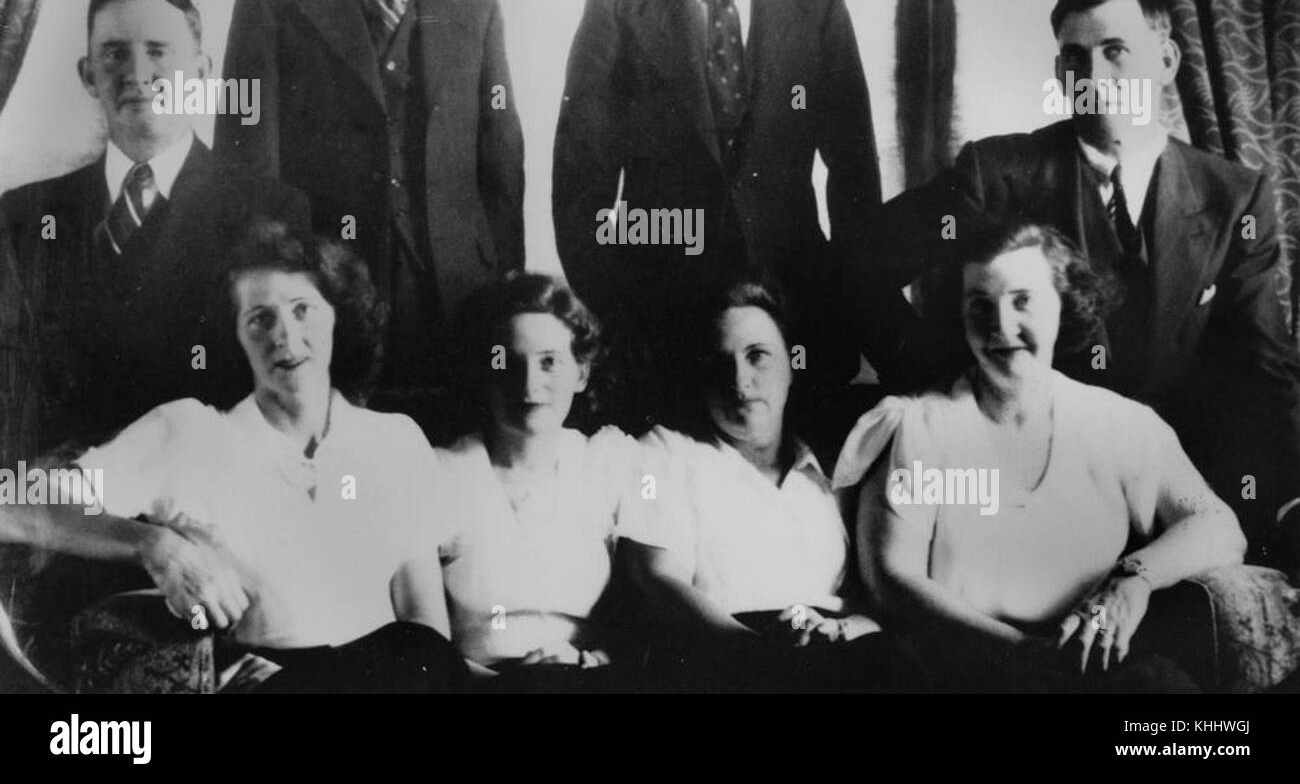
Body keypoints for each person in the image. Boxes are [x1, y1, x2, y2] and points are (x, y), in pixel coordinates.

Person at [858, 0, 1300, 571]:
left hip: (1178, 489)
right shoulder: (1000, 175)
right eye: (1074, 57)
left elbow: (1263, 368)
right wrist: (935, 376)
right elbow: (858, 266)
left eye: (1115, 51)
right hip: (1023, 481)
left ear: (1166, 60)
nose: (1093, 79)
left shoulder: (1235, 197)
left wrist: (1281, 500)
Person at [553, 0, 908, 427]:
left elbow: (855, 176)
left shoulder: (817, 11)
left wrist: (849, 302)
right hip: (661, 320)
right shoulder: (615, 12)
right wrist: (622, 315)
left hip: (796, 313)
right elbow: (581, 190)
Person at [0, 220, 464, 693]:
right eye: (259, 319)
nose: (284, 335)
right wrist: (157, 547)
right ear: (235, 338)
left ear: (338, 317)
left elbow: (424, 626)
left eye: (302, 309)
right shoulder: (192, 432)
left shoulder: (396, 440)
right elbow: (11, 507)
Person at [215, 0, 524, 426]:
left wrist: (495, 296)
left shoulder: (475, 14)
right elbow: (249, 178)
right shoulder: (271, 8)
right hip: (320, 304)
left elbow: (502, 178)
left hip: (452, 306)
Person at [836, 222, 1247, 692]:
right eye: (979, 306)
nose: (1001, 327)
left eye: (1022, 300)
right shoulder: (922, 428)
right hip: (967, 671)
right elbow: (893, 581)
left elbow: (1219, 527)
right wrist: (1019, 652)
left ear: (1064, 304)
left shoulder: (1117, 424)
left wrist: (1132, 580)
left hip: (1091, 669)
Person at [0, 0, 308, 458]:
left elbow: (282, 389)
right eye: (115, 53)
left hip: (209, 492)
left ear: (202, 71)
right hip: (57, 507)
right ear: (87, 74)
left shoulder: (269, 212)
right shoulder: (21, 217)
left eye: (158, 52)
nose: (138, 74)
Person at [625, 279, 915, 692]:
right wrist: (758, 653)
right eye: (718, 363)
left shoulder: (830, 473)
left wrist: (846, 629)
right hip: (724, 653)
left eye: (757, 355)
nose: (739, 380)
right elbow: (658, 579)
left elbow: (868, 599)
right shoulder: (665, 454)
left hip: (836, 649)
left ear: (792, 365)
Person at [435, 272, 663, 690]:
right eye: (508, 361)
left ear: (581, 373)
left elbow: (647, 619)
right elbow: (419, 639)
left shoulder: (607, 465)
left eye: (549, 361)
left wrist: (587, 661)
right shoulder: (442, 473)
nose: (528, 384)